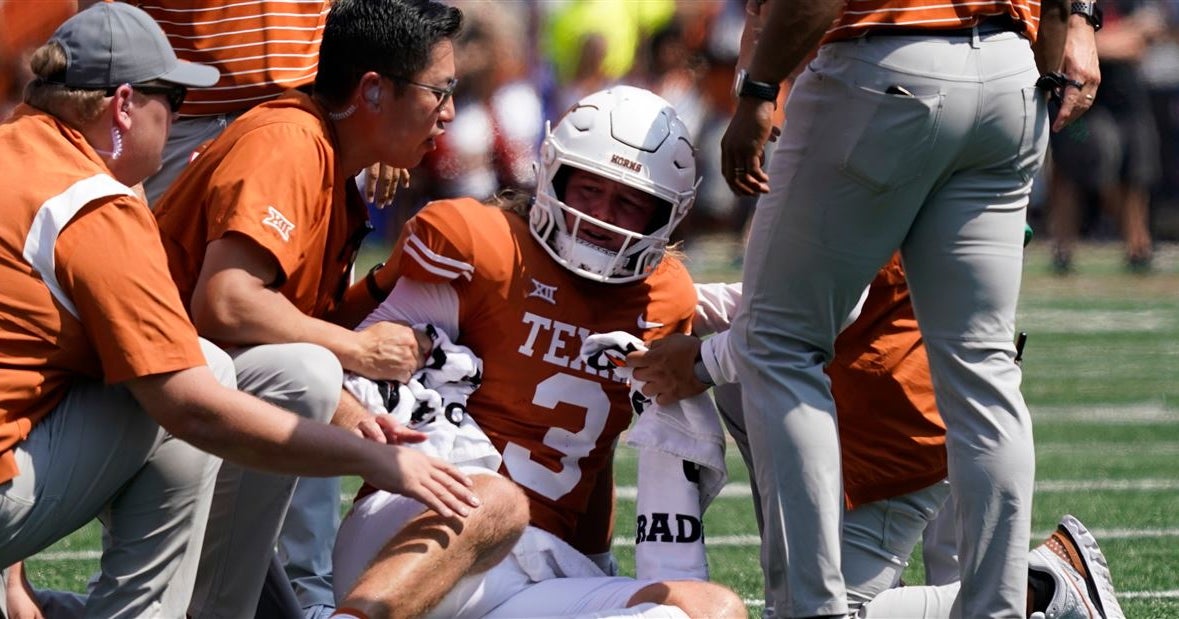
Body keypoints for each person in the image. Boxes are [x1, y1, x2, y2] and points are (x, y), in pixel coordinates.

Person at [0, 3, 478, 617]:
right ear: (123, 105)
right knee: (247, 374)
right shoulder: (102, 204)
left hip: (60, 421)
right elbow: (213, 338)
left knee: (279, 375)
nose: (182, 120)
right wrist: (375, 453)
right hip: (52, 451)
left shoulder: (22, 151)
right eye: (173, 100)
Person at [707, 0, 1100, 615]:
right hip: (1012, 68)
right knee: (983, 367)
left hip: (888, 58)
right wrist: (1076, 19)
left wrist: (759, 89)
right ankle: (1006, 605)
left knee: (777, 345)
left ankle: (810, 610)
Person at [330, 85, 746, 619]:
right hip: (418, 527)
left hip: (537, 571)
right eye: (590, 191)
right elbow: (328, 367)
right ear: (553, 174)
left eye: (628, 203)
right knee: (494, 500)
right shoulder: (481, 246)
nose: (601, 217)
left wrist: (596, 561)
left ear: (666, 215)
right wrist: (379, 449)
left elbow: (594, 453)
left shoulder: (663, 297)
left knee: (712, 610)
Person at [149, 1, 473, 616]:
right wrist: (359, 353)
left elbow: (277, 322)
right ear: (373, 91)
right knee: (310, 376)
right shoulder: (291, 144)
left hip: (178, 397)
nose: (449, 112)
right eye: (440, 91)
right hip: (140, 409)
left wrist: (394, 275)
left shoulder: (321, 151)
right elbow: (226, 302)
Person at [630, 255, 1126, 619]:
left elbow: (815, 312)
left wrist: (702, 362)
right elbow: (793, 295)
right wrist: (683, 306)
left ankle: (1040, 586)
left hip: (900, 419)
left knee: (810, 613)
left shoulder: (851, 135)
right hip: (943, 394)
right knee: (748, 383)